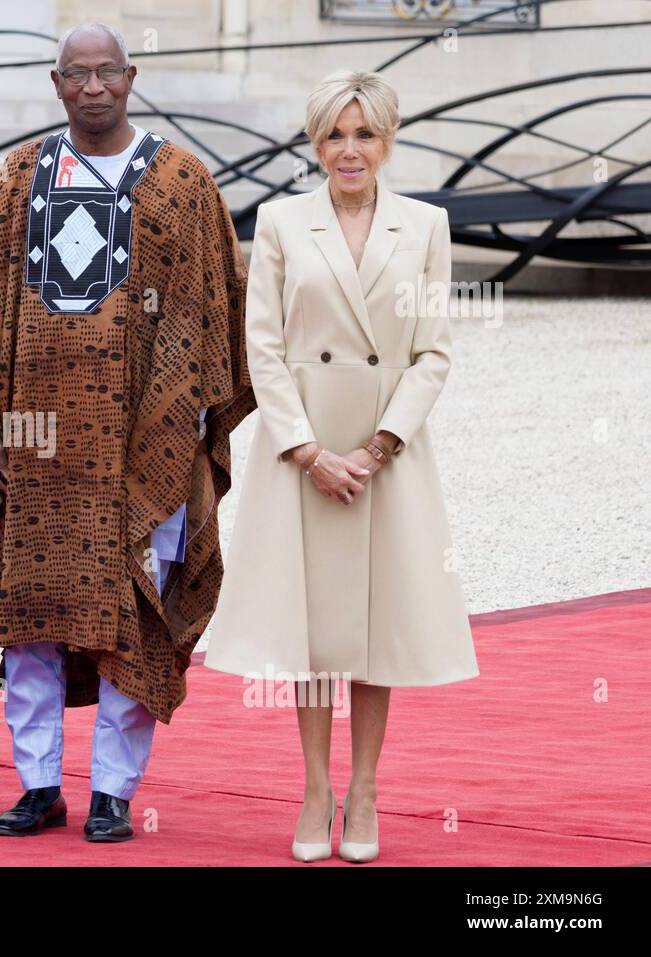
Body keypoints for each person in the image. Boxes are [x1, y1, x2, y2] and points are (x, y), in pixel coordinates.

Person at [0, 23, 254, 842]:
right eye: (76, 74)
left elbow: (206, 313)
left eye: (107, 72)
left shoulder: (182, 184)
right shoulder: (19, 179)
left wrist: (181, 441)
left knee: (134, 609)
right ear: (56, 84)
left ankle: (116, 791)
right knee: (35, 618)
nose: (93, 87)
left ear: (131, 77)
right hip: (32, 447)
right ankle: (39, 783)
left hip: (143, 449)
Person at [204, 70, 479, 864]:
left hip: (387, 453)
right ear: (315, 141)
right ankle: (315, 786)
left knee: (377, 622)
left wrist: (379, 445)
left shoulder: (426, 225)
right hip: (306, 450)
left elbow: (433, 352)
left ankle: (365, 789)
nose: (348, 150)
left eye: (363, 134)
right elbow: (262, 345)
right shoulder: (283, 221)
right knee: (318, 627)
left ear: (387, 138)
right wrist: (307, 449)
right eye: (334, 134)